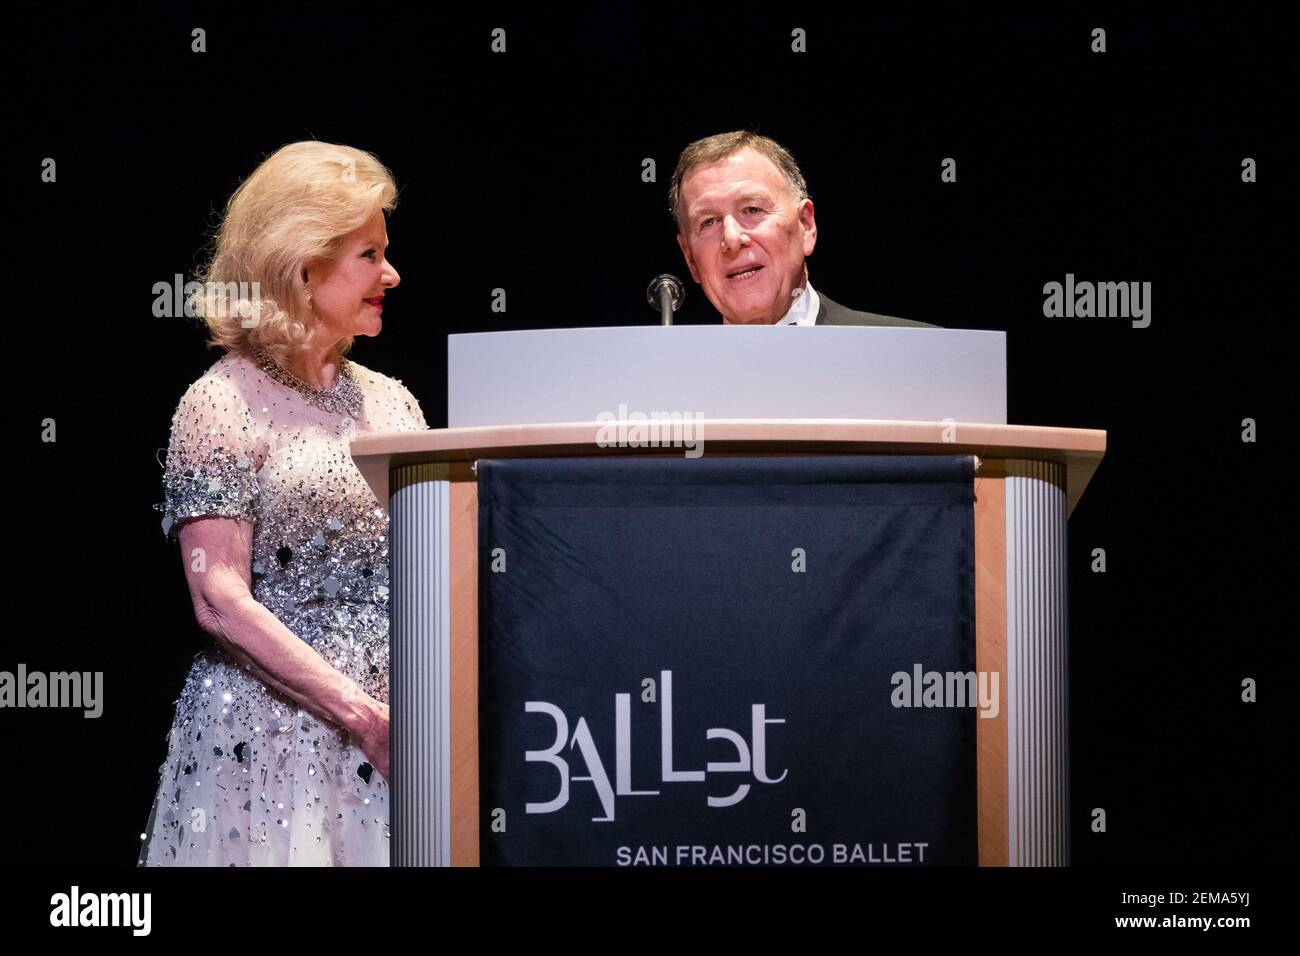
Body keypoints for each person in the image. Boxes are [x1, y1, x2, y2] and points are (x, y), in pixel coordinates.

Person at [138, 141, 428, 866]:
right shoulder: (220, 404)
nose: (391, 274)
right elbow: (217, 599)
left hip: (403, 739)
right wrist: (360, 717)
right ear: (303, 264)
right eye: (369, 255)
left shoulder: (394, 403)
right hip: (271, 748)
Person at [670, 130, 939, 328]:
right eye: (708, 222)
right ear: (690, 259)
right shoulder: (662, 385)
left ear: (806, 226)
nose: (731, 238)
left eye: (752, 210)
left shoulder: (914, 354)